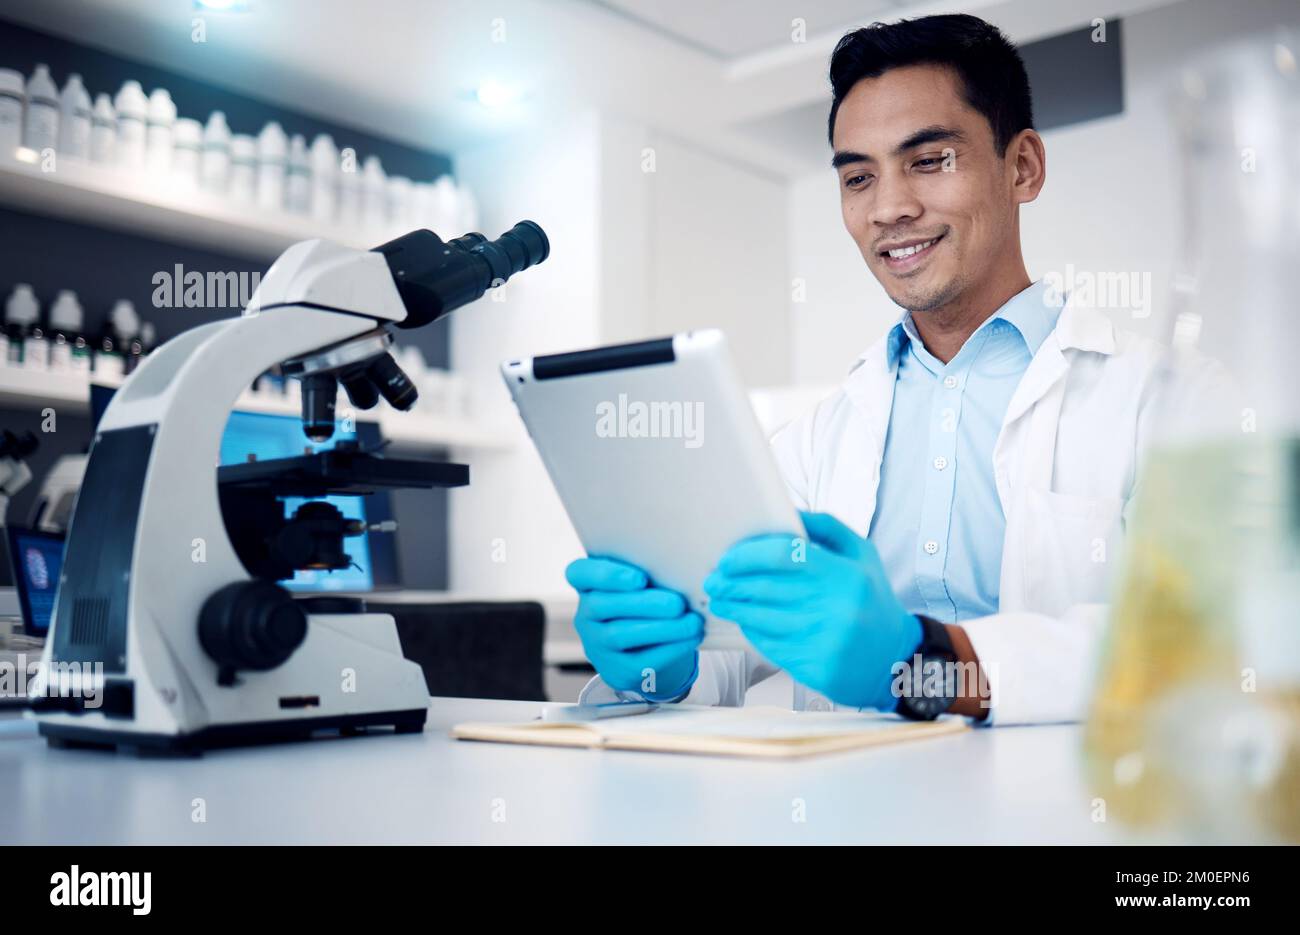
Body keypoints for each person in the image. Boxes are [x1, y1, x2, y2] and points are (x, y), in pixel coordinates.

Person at [566, 13, 1230, 725]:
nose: (889, 207)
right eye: (858, 177)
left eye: (929, 160)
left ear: (1023, 167)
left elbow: (1205, 638)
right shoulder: (814, 441)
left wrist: (927, 662)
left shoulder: (1167, 398)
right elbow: (736, 645)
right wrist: (659, 664)